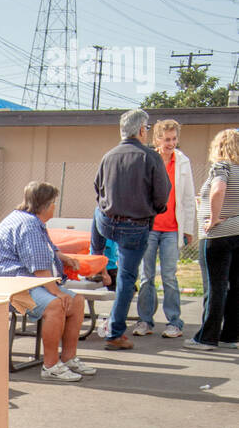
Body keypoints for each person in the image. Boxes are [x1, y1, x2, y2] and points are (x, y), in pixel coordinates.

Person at [0, 180, 96, 383]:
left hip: (27, 282)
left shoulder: (29, 220)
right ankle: (50, 365)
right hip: (15, 286)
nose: (55, 206)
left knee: (78, 302)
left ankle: (69, 357)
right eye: (54, 202)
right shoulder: (29, 225)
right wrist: (57, 292)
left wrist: (63, 258)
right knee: (56, 305)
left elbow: (47, 248)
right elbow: (39, 268)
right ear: (46, 205)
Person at [91, 109, 170, 350]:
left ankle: (96, 259)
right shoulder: (150, 157)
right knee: (126, 278)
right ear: (141, 130)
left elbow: (98, 188)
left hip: (108, 222)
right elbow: (162, 194)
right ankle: (115, 333)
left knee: (96, 213)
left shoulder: (109, 155)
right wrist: (152, 211)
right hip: (135, 226)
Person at [133, 119, 196, 338]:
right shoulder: (147, 159)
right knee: (146, 276)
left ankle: (174, 322)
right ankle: (145, 321)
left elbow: (188, 197)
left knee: (169, 276)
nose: (171, 143)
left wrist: (188, 228)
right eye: (166, 139)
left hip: (172, 228)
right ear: (156, 139)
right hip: (150, 226)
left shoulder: (183, 162)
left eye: (174, 139)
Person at [185, 129, 239, 353]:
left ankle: (207, 337)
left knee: (215, 287)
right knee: (235, 286)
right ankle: (230, 334)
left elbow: (218, 189)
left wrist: (214, 217)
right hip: (237, 232)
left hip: (217, 236)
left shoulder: (222, 166)